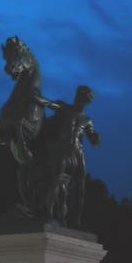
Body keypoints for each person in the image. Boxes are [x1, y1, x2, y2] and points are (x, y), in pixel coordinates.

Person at [37, 86, 100, 227]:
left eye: (84, 100)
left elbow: (93, 139)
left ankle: (76, 220)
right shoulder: (64, 108)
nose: (80, 101)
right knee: (57, 180)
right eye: (79, 98)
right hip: (62, 149)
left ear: (87, 102)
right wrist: (35, 97)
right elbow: (48, 103)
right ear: (76, 97)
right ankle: (49, 212)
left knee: (80, 185)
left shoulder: (87, 120)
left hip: (78, 153)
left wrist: (96, 138)